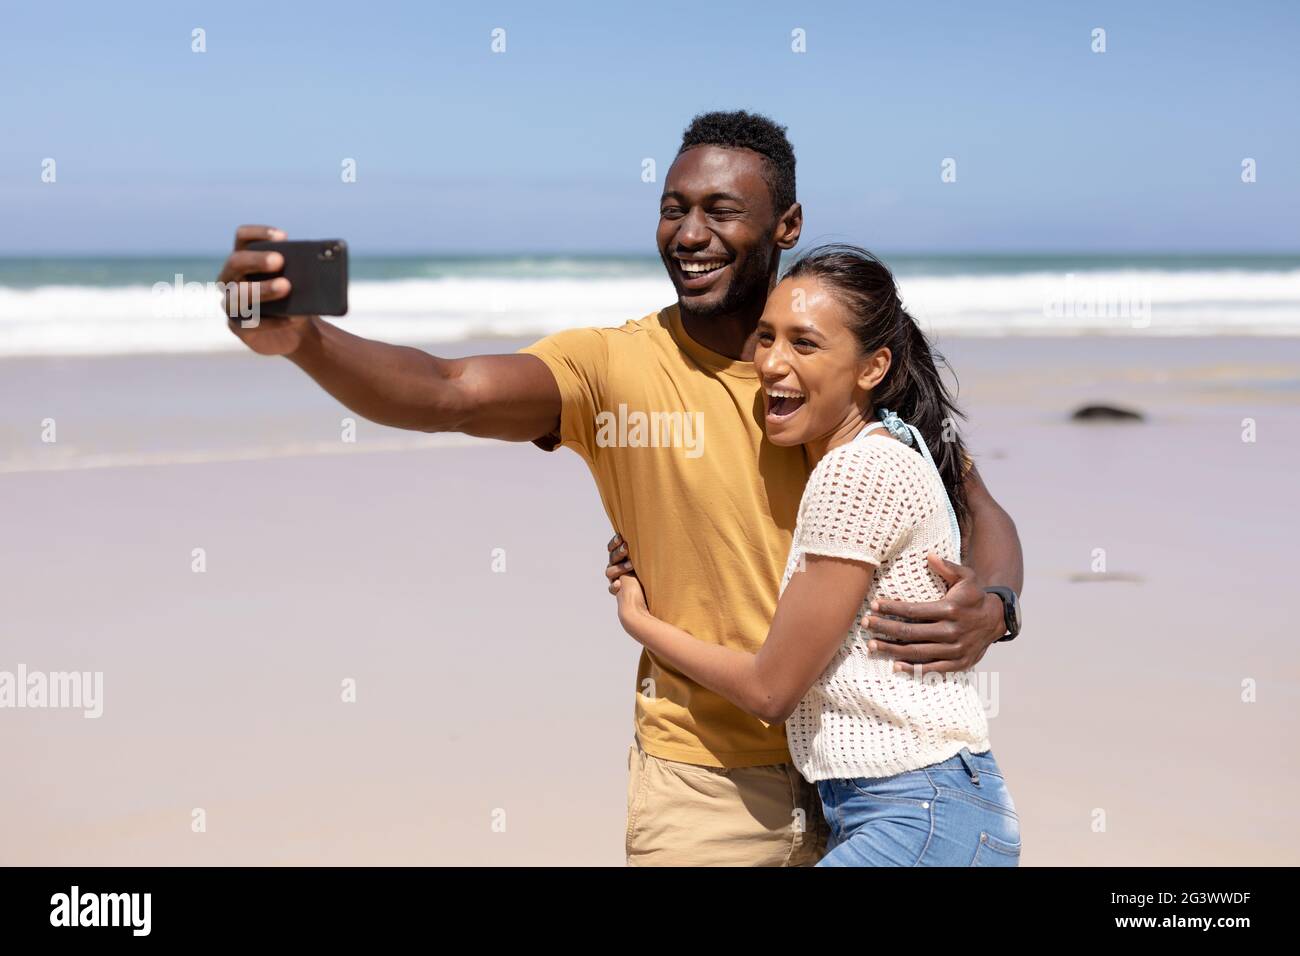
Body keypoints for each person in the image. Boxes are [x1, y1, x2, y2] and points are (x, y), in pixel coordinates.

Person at [216, 110, 1023, 866]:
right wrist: (307, 343)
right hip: (704, 787)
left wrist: (993, 605)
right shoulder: (614, 371)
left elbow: (978, 510)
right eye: (674, 209)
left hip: (874, 776)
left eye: (721, 210)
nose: (691, 234)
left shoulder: (839, 376)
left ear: (788, 226)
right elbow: (447, 388)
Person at [609, 245, 1019, 865]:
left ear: (872, 366)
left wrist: (639, 620)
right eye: (766, 338)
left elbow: (771, 691)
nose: (772, 363)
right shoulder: (896, 441)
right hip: (928, 807)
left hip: (917, 815)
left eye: (804, 344)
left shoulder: (854, 472)